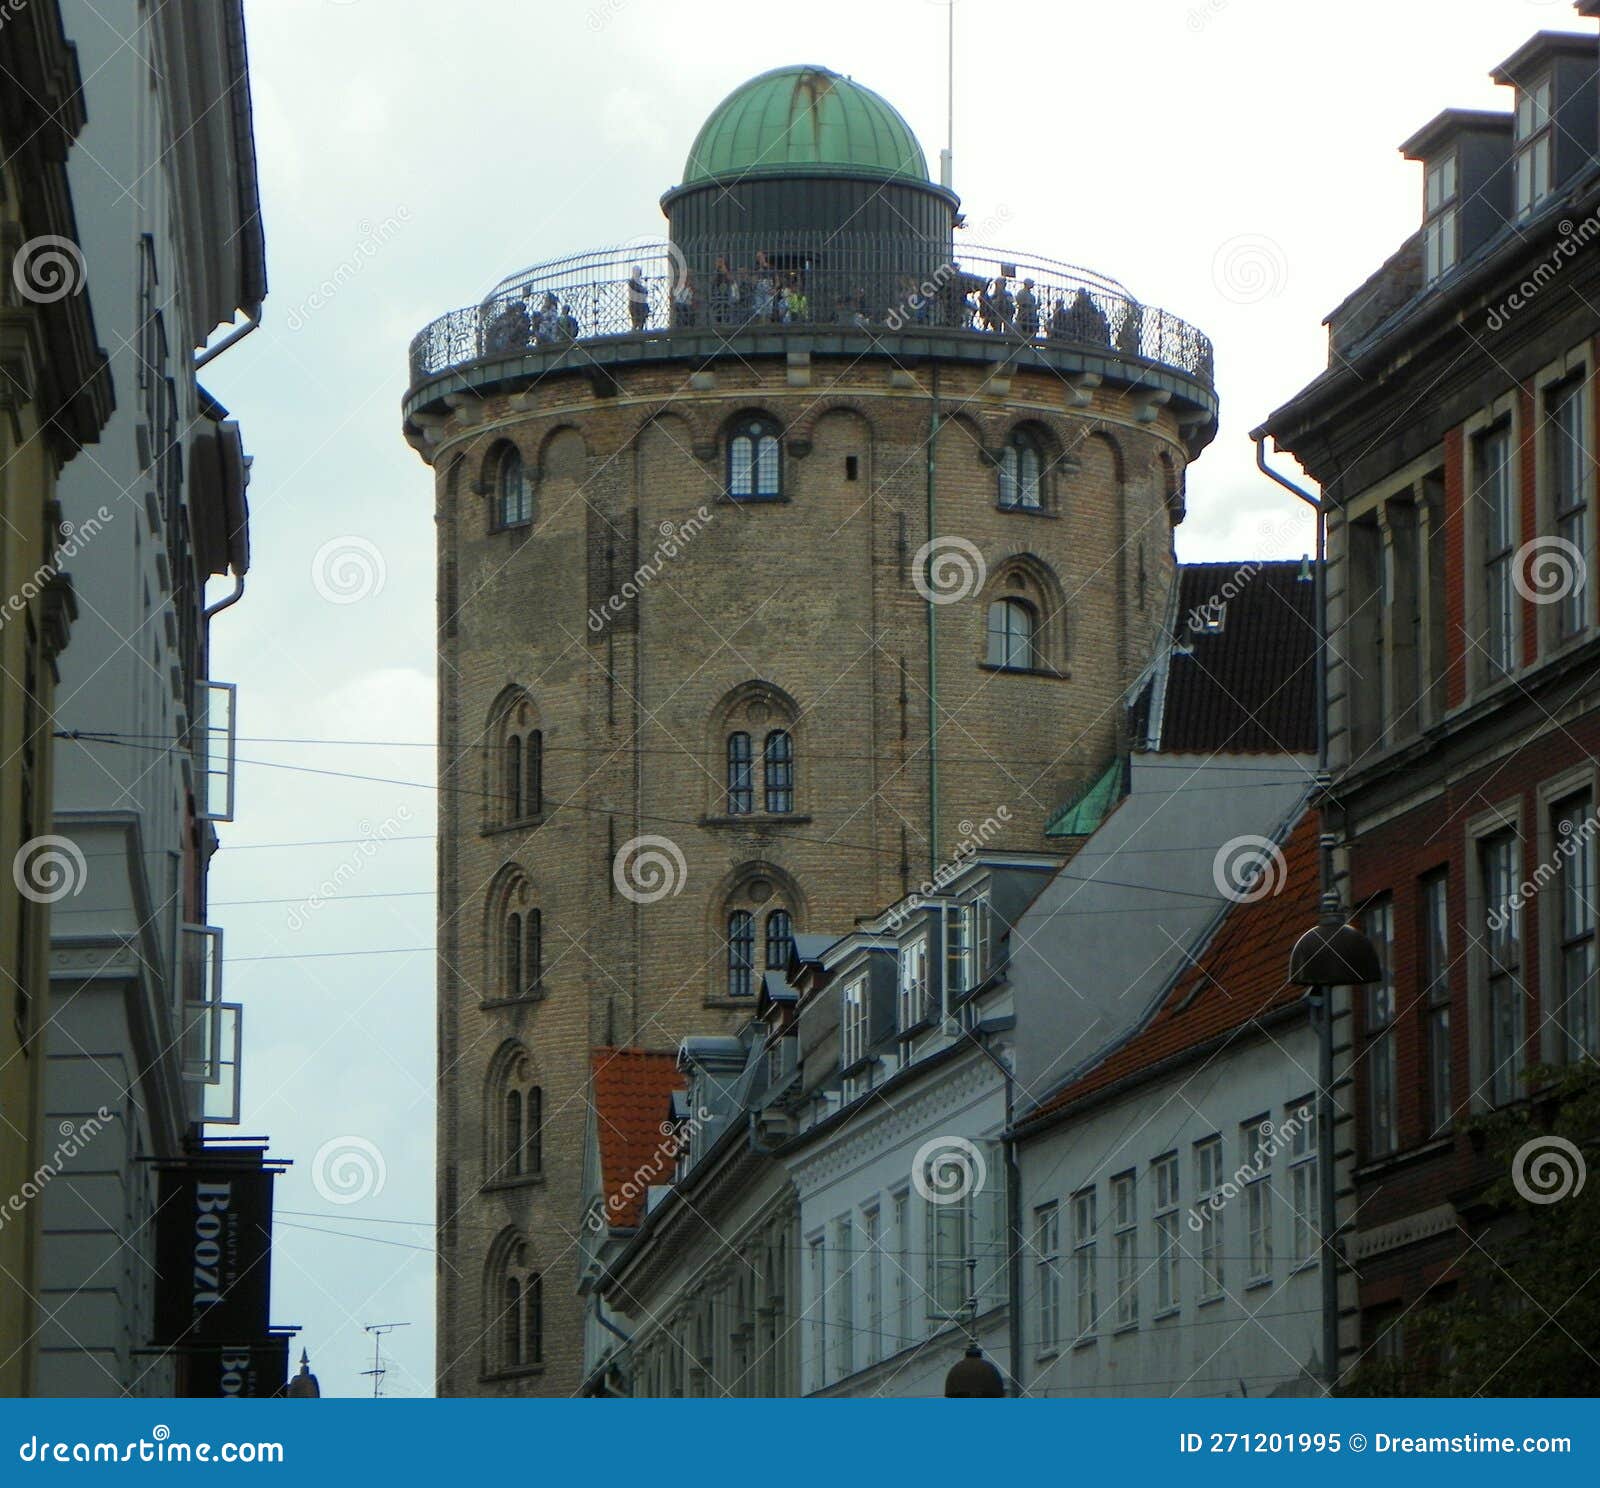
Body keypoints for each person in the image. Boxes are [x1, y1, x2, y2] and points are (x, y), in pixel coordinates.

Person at [627, 264, 649, 332]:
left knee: (641, 322)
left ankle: (639, 332)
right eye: (637, 271)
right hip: (635, 305)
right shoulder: (632, 282)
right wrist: (643, 290)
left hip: (641, 305)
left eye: (639, 271)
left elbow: (644, 292)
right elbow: (640, 291)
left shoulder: (638, 282)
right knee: (636, 322)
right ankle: (634, 332)